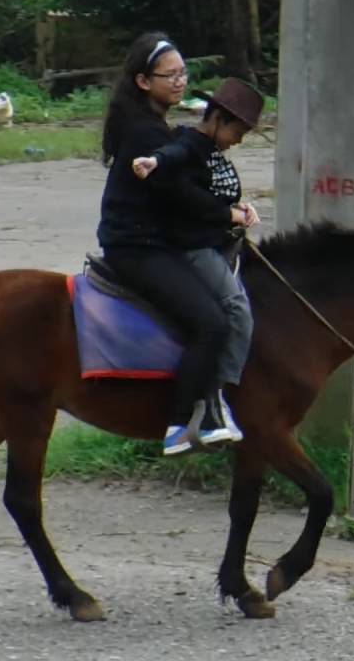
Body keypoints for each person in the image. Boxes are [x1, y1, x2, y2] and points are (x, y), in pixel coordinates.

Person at [95, 32, 246, 456]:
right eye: (170, 75)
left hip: (154, 243)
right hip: (137, 248)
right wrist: (227, 215)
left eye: (184, 73)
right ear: (144, 82)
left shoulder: (156, 125)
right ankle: (179, 423)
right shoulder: (144, 133)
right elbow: (179, 194)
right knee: (212, 321)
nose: (180, 82)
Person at [130, 77, 265, 439]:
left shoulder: (215, 153)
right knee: (236, 310)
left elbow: (219, 196)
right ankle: (214, 399)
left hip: (220, 243)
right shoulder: (188, 145)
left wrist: (240, 208)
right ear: (218, 117)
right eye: (239, 129)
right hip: (193, 248)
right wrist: (153, 161)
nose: (241, 138)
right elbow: (183, 185)